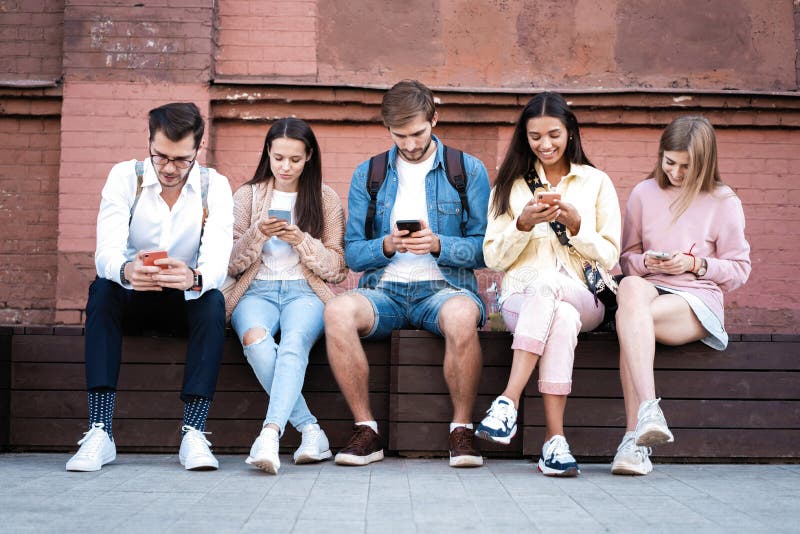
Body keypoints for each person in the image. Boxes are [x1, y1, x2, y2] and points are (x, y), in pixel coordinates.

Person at [324, 80, 491, 468]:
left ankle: (461, 430)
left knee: (464, 315)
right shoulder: (370, 174)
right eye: (400, 136)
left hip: (445, 289)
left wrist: (439, 245)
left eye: (418, 133)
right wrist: (387, 245)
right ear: (387, 129)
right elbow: (352, 253)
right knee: (336, 312)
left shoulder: (467, 170)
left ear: (434, 118)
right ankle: (366, 430)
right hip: (385, 292)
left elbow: (486, 248)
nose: (411, 144)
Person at [66, 102, 234, 472]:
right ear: (149, 143)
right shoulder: (126, 177)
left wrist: (195, 278)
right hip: (132, 297)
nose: (170, 168)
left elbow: (218, 258)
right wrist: (126, 270)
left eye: (181, 159)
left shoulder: (214, 186)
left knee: (213, 300)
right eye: (161, 156)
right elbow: (105, 251)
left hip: (183, 303)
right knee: (102, 290)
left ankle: (194, 431)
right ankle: (101, 430)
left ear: (197, 151)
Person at [477, 92, 621, 477]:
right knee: (559, 315)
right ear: (524, 138)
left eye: (554, 134)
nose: (545, 144)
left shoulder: (596, 182)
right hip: (521, 300)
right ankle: (554, 443)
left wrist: (576, 226)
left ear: (570, 132)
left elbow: (609, 255)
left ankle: (508, 400)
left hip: (585, 293)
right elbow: (493, 259)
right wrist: (522, 225)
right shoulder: (508, 187)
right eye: (535, 136)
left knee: (553, 287)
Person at [611, 116, 751, 476]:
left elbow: (738, 269)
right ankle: (648, 416)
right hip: (648, 289)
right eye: (669, 162)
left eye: (686, 166)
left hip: (695, 299)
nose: (675, 172)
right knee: (628, 290)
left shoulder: (723, 200)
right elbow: (627, 259)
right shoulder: (644, 193)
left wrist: (694, 263)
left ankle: (633, 438)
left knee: (630, 322)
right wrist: (647, 260)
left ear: (704, 163)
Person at [224, 118, 347, 475]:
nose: (285, 166)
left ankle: (269, 434)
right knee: (255, 339)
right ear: (268, 153)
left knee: (293, 342)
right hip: (255, 289)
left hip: (304, 292)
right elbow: (229, 263)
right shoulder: (247, 195)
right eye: (278, 158)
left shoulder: (325, 197)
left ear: (309, 156)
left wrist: (301, 241)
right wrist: (257, 235)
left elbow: (337, 266)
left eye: (294, 159)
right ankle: (311, 429)